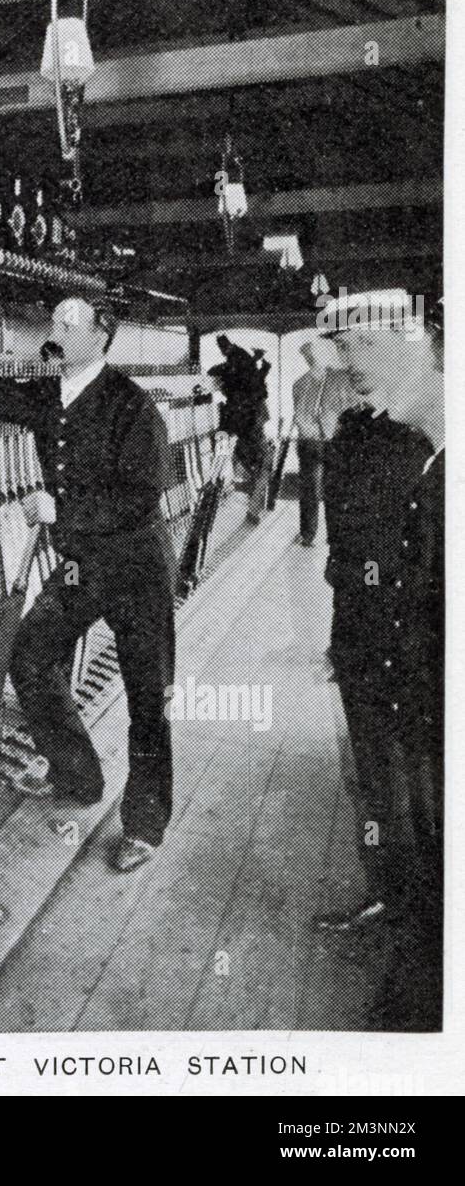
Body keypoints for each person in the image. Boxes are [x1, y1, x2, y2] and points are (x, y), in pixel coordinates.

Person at [0, 296, 177, 873]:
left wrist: (59, 508)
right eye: (54, 324)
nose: (58, 333)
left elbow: (142, 495)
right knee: (30, 651)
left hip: (136, 569)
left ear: (102, 334)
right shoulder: (49, 394)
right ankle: (78, 776)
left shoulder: (132, 405)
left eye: (71, 325)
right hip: (80, 567)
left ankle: (145, 823)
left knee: (148, 697)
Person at [319, 289, 443, 1030]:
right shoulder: (357, 436)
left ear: (421, 337)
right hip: (370, 659)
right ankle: (396, 906)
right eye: (341, 346)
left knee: (432, 819)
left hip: (431, 672)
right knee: (382, 804)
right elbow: (347, 556)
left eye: (364, 343)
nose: (347, 361)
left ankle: (426, 982)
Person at [291, 340, 359, 546]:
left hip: (308, 441)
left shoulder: (299, 383)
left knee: (309, 491)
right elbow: (352, 409)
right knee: (335, 489)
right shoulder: (341, 379)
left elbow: (298, 413)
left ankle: (307, 534)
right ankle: (335, 536)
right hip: (332, 440)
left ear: (306, 359)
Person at [208, 334, 272, 523]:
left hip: (240, 420)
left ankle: (219, 487)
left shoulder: (237, 361)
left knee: (231, 454)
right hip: (251, 420)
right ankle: (253, 509)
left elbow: (215, 371)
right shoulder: (245, 362)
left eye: (223, 349)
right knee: (258, 463)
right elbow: (259, 389)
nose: (223, 352)